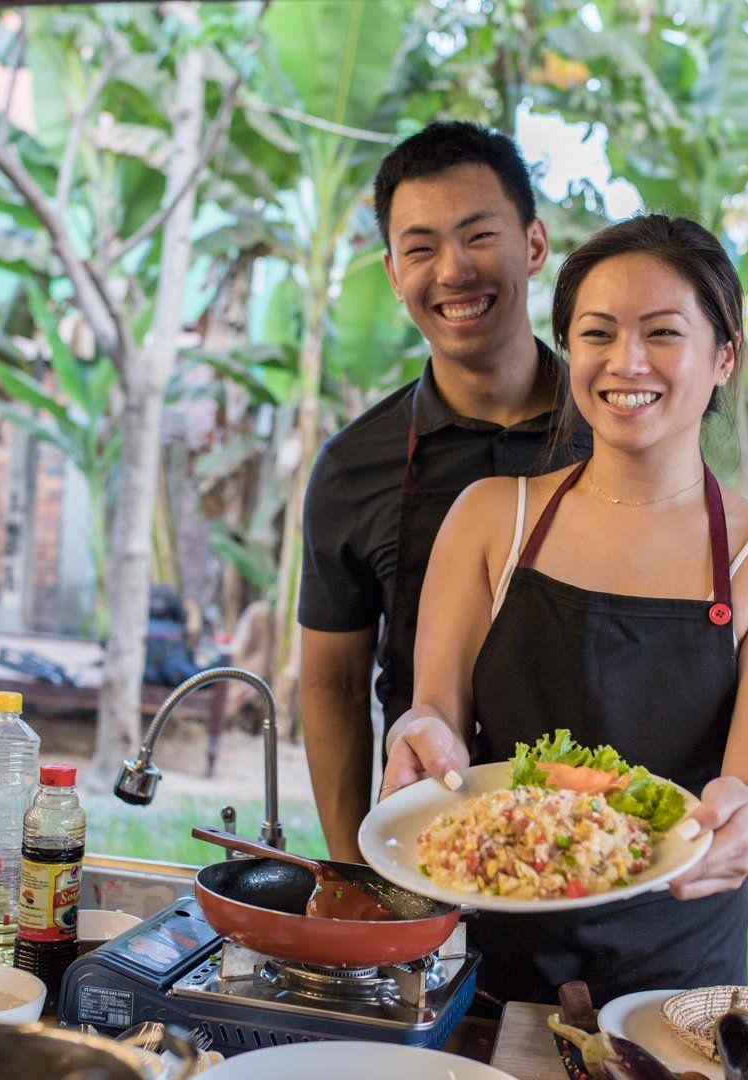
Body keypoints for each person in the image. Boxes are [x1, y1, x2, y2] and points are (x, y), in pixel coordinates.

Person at [382, 215, 748, 1005]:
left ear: (724, 356)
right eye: (598, 333)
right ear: (570, 350)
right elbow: (437, 719)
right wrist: (419, 735)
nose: (627, 362)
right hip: (491, 946)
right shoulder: (491, 518)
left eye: (663, 333)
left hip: (676, 978)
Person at [298, 121, 590, 861]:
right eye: (421, 249)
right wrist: (353, 868)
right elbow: (333, 684)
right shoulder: (352, 466)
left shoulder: (618, 434)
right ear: (395, 275)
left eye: (479, 236)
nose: (453, 271)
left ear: (534, 243)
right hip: (432, 851)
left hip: (603, 852)